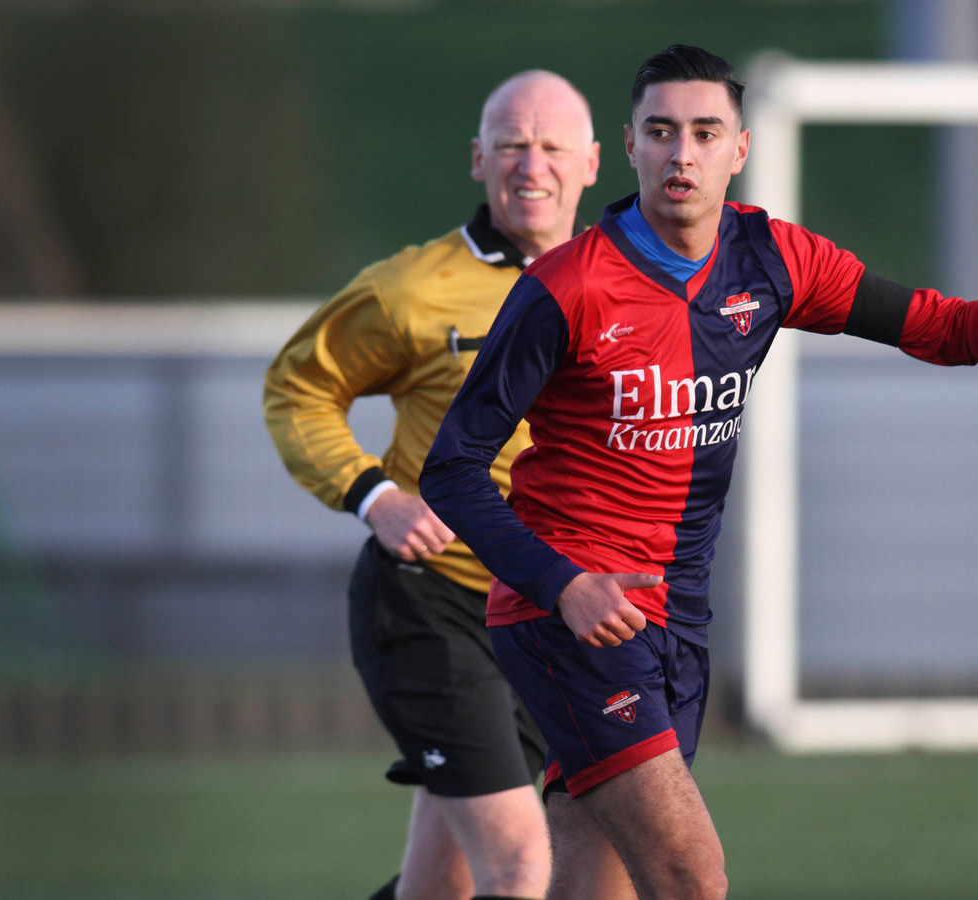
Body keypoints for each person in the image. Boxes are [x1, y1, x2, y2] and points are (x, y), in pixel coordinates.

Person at [420, 45, 978, 900]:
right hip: (574, 620)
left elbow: (935, 326)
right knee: (694, 877)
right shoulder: (568, 286)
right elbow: (453, 470)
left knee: (600, 878)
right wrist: (565, 586)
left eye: (705, 132)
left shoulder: (770, 258)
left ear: (739, 148)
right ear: (630, 146)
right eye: (662, 132)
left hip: (676, 612)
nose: (682, 153)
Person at [263, 70, 600, 900]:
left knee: (440, 884)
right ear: (477, 157)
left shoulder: (624, 282)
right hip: (433, 605)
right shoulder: (412, 289)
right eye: (512, 144)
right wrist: (374, 496)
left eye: (552, 145)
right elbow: (297, 387)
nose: (532, 164)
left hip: (548, 617)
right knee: (522, 865)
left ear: (593, 162)